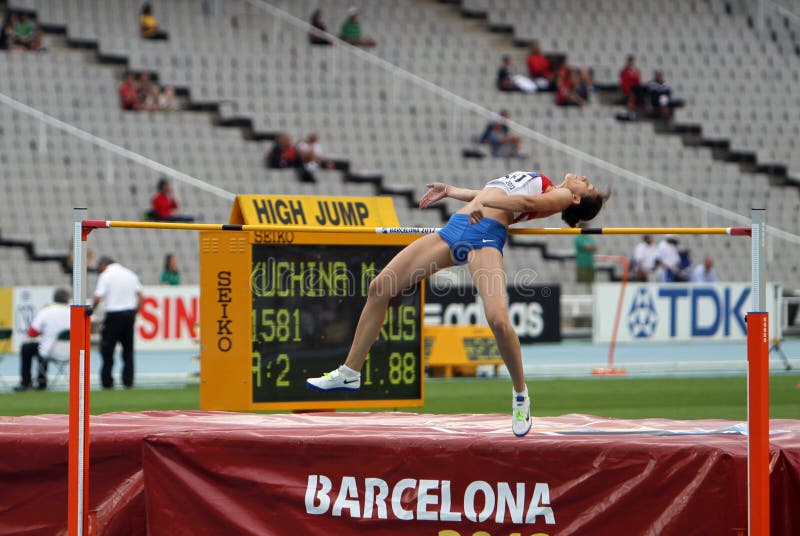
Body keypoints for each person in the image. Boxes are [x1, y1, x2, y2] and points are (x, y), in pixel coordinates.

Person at [307, 171, 608, 437]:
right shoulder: (544, 185)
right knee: (380, 287)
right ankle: (351, 371)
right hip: (456, 228)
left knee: (498, 320)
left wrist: (483, 204)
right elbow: (492, 195)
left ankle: (520, 395)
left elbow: (522, 205)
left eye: (588, 185)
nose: (583, 178)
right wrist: (453, 192)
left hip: (484, 237)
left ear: (578, 199)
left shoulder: (562, 195)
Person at [93, 256, 143, 389]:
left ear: (104, 265)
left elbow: (98, 297)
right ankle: (128, 381)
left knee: (107, 350)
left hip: (113, 316)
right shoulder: (130, 274)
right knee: (128, 351)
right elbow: (140, 295)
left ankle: (107, 381)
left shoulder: (106, 275)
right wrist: (135, 311)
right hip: (129, 314)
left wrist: (91, 310)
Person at [13, 288, 71, 392]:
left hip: (49, 351)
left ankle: (26, 383)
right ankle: (41, 381)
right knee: (42, 348)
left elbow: (32, 332)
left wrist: (45, 331)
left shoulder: (46, 311)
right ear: (67, 299)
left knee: (27, 348)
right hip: (72, 352)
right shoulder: (74, 311)